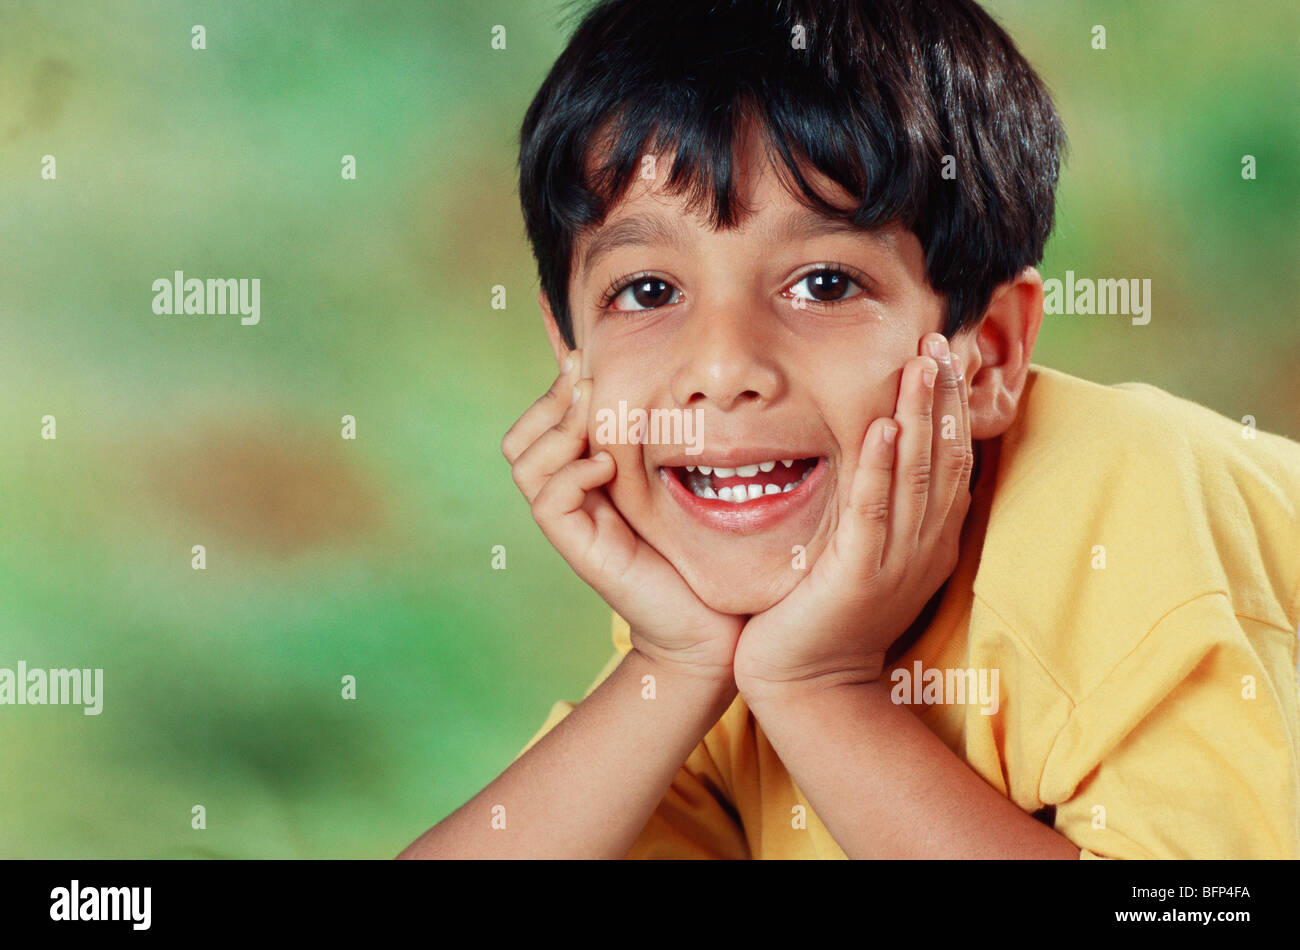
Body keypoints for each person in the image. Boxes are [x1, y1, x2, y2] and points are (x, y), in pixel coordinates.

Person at [399, 0, 1300, 859]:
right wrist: (670, 667)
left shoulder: (1126, 509)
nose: (721, 370)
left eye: (825, 284)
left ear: (984, 354)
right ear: (572, 361)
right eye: (647, 291)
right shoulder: (715, 586)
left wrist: (822, 692)